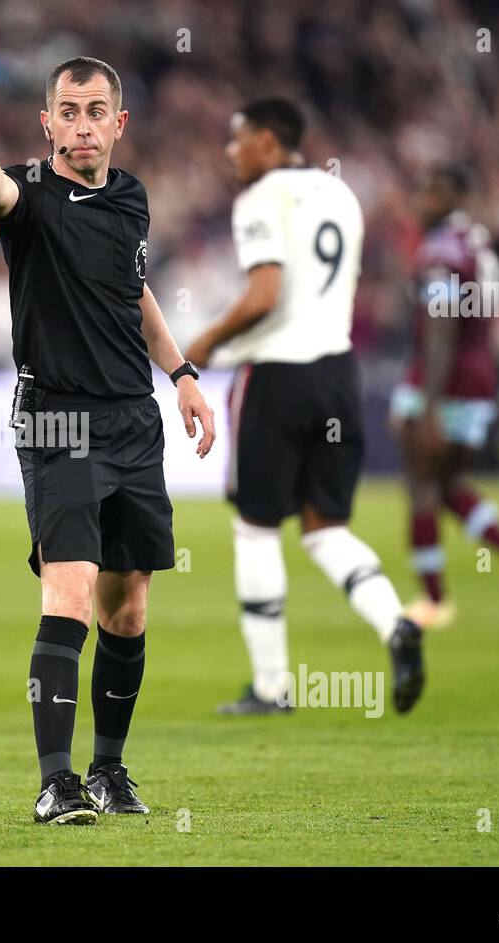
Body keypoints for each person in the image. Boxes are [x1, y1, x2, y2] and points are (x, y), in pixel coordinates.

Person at [0, 56, 216, 824]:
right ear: (46, 122)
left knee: (129, 608)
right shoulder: (29, 198)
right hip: (58, 419)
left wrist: (182, 371)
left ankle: (110, 772)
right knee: (72, 593)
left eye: (96, 112)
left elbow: (133, 290)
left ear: (118, 124)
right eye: (68, 111)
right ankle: (56, 784)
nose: (82, 125)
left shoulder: (131, 200)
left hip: (134, 418)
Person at [186, 97, 424, 717]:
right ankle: (396, 623)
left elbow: (266, 292)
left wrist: (208, 340)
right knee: (327, 530)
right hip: (339, 375)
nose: (230, 153)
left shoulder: (261, 198)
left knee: (256, 527)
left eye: (238, 140)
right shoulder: (340, 195)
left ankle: (270, 688)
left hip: (277, 377)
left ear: (269, 140)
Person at [391, 165, 499, 630]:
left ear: (447, 196)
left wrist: (429, 402)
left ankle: (434, 600)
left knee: (422, 485)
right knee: (447, 486)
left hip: (447, 382)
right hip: (480, 378)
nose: (420, 203)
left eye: (429, 194)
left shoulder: (439, 253)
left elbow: (440, 328)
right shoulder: (476, 242)